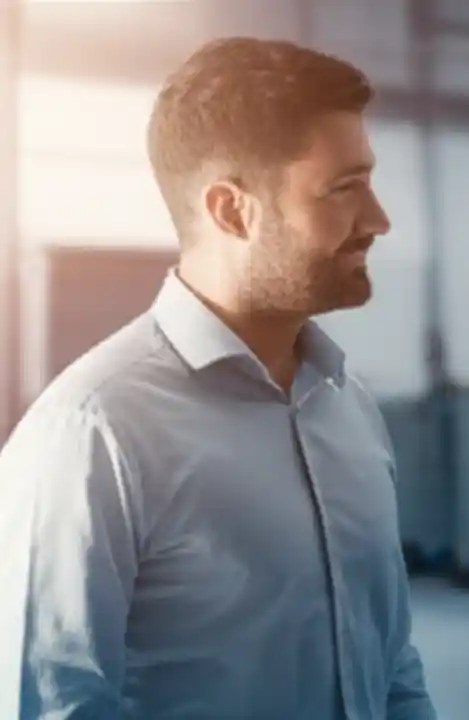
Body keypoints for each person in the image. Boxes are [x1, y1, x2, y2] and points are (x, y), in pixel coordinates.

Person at [0, 38, 437, 719]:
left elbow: (392, 665)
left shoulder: (347, 406)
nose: (378, 221)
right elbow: (49, 705)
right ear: (233, 210)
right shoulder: (94, 433)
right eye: (344, 189)